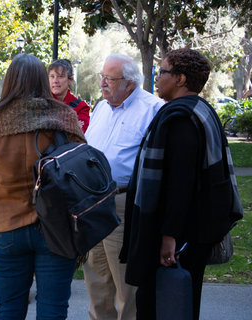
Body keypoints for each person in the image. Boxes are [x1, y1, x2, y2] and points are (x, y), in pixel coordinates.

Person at [120, 48, 240, 319]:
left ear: (180, 79)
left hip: (177, 236)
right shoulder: (201, 110)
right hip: (191, 229)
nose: (157, 78)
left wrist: (169, 236)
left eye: (162, 72)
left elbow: (181, 183)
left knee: (160, 306)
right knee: (180, 304)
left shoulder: (181, 119)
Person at [0, 53, 85, 319]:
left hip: (5, 224)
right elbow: (82, 173)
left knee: (8, 309)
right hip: (56, 227)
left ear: (8, 80)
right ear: (43, 80)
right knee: (53, 310)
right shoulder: (64, 116)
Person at [83, 53, 164, 320]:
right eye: (101, 77)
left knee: (126, 282)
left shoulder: (153, 109)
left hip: (123, 204)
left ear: (129, 83)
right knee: (96, 278)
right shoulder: (101, 108)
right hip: (92, 203)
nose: (102, 83)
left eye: (110, 79)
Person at [48, 59, 90, 132]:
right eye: (52, 76)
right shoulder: (40, 101)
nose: (55, 81)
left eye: (60, 76)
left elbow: (79, 135)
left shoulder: (81, 107)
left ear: (70, 80)